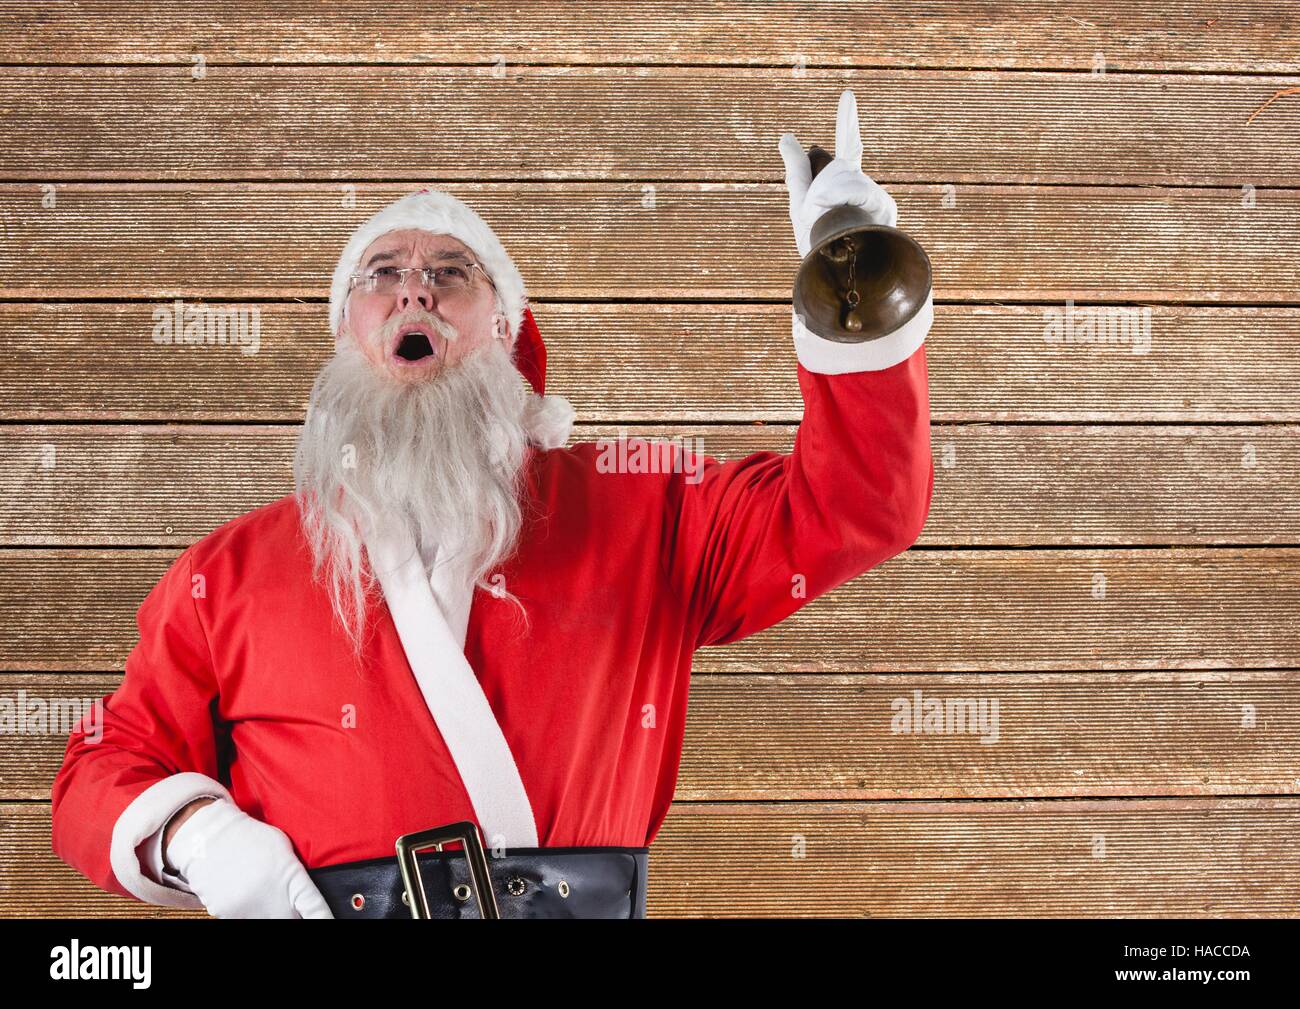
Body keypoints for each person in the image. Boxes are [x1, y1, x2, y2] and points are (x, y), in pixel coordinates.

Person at [49, 90, 934, 918]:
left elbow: (859, 504)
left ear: (506, 331)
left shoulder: (647, 506)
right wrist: (195, 835)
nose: (414, 287)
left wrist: (854, 287)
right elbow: (100, 764)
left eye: (451, 271)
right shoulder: (225, 575)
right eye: (381, 272)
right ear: (347, 334)